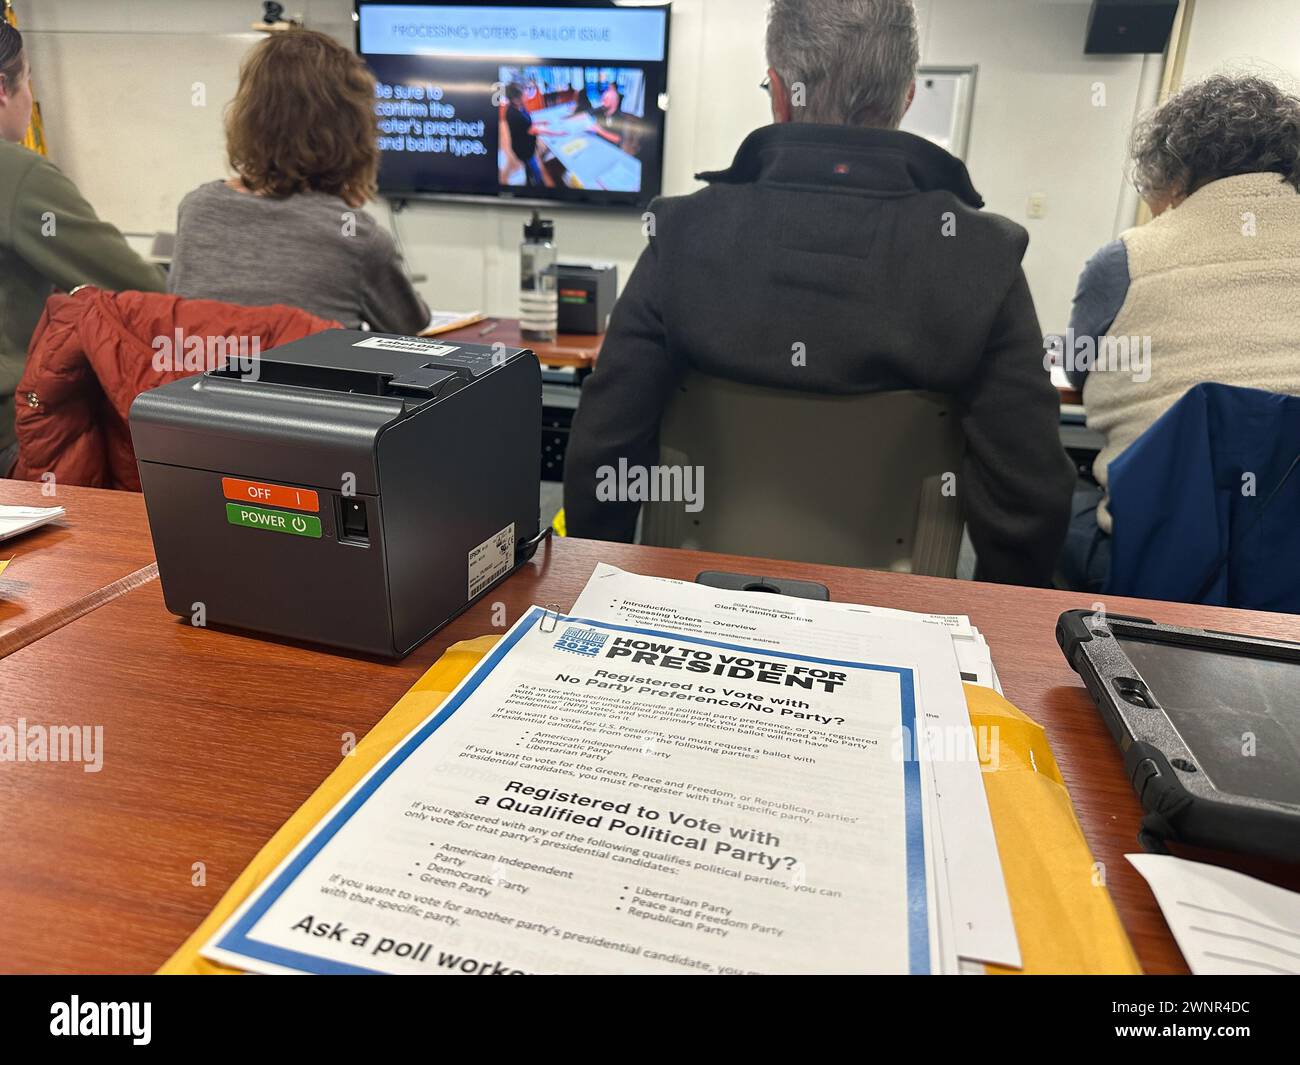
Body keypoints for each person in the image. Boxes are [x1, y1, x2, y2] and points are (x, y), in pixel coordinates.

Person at [563, 0, 1074, 587]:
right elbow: (1032, 497)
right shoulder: (985, 258)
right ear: (907, 97)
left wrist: (600, 596)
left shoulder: (680, 235)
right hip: (894, 630)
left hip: (693, 612)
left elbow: (602, 452)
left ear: (778, 91)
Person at [1061, 74, 1300, 592]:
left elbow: (1076, 372)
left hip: (1156, 568)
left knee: (1058, 505)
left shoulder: (1125, 259)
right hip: (1291, 580)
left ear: (1173, 176)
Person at [168, 30, 428, 335]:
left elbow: (178, 311)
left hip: (197, 382)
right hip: (310, 385)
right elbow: (410, 325)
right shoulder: (356, 236)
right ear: (353, 130)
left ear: (248, 117)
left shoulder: (197, 209)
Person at [0, 20, 166, 476]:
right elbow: (137, 288)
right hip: (9, 438)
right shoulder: (17, 175)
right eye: (28, 78)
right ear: (3, 89)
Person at [504, 83, 556, 188]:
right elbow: (532, 130)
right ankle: (537, 187)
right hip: (523, 149)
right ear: (515, 99)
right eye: (523, 94)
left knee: (530, 168)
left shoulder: (520, 107)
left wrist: (541, 122)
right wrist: (557, 133)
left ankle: (530, 180)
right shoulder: (513, 114)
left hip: (527, 145)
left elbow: (529, 123)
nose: (526, 95)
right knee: (534, 169)